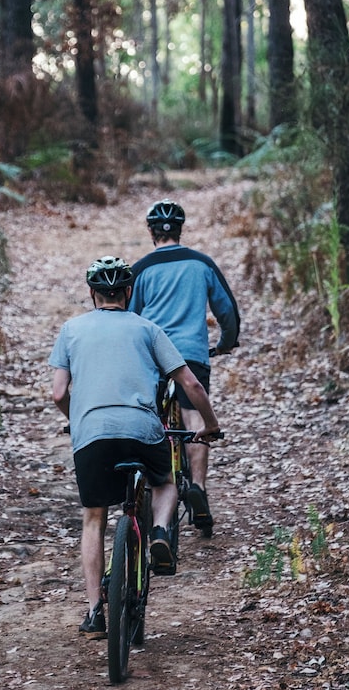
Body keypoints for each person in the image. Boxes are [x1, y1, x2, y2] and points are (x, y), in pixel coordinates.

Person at [50, 255, 221, 640]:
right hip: (142, 428)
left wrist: (76, 418)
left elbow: (59, 392)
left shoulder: (71, 329)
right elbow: (191, 385)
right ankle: (160, 530)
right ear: (128, 292)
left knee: (94, 517)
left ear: (93, 294)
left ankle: (95, 612)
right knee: (165, 483)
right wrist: (210, 426)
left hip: (92, 433)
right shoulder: (148, 329)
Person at [129, 199, 240, 534]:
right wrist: (225, 343)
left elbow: (128, 317)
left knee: (151, 415)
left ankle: (151, 486)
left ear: (151, 231)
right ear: (181, 229)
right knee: (193, 417)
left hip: (152, 355)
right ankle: (199, 488)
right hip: (191, 354)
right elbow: (227, 311)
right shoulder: (201, 264)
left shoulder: (142, 268)